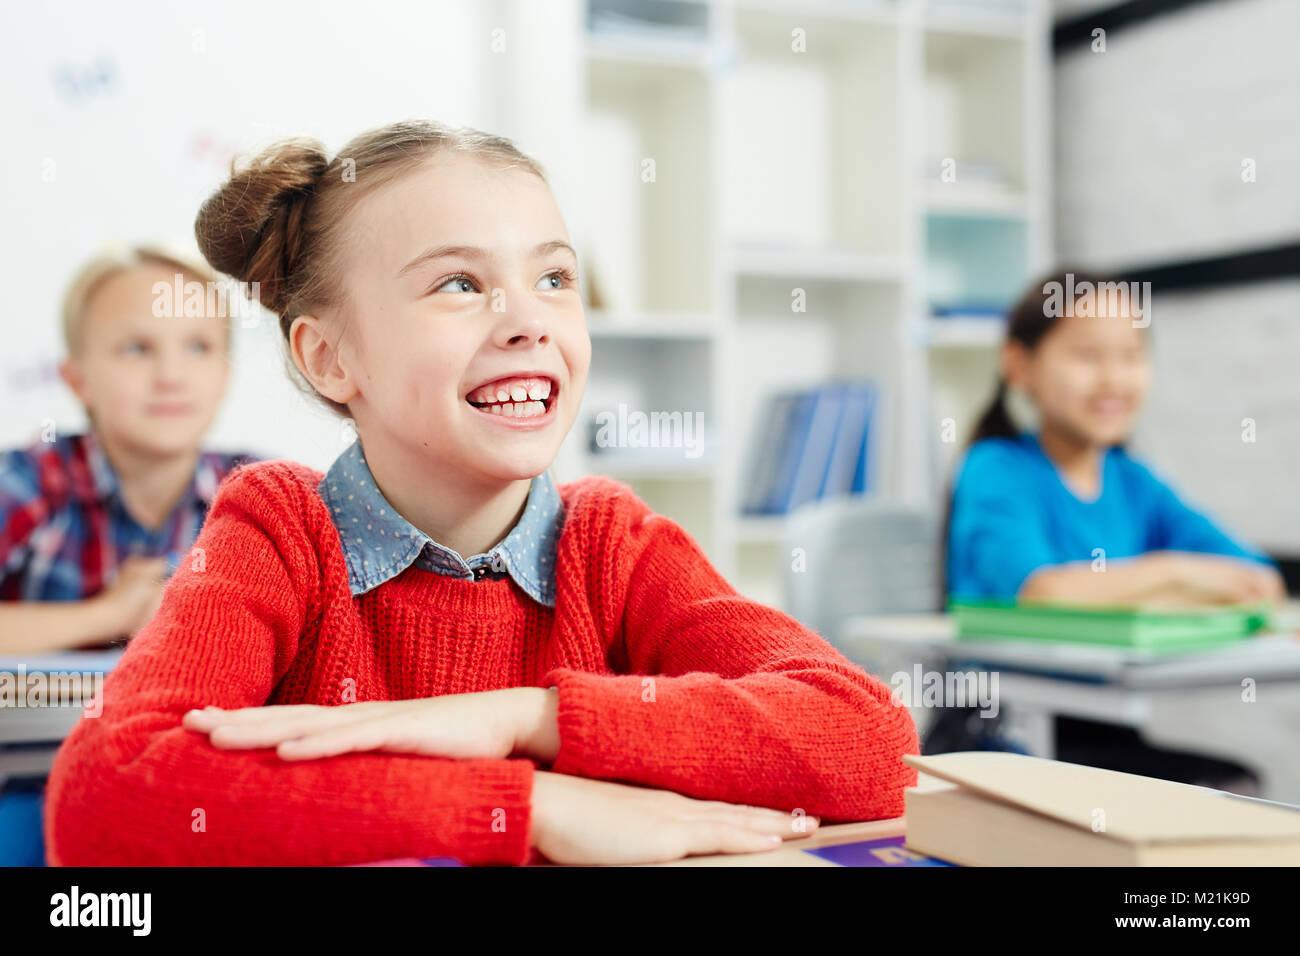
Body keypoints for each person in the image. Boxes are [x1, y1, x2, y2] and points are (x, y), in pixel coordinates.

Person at [44, 120, 919, 867]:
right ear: (328, 357)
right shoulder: (279, 528)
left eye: (554, 278)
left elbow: (875, 743)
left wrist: (525, 718)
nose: (530, 317)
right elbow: (102, 796)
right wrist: (524, 806)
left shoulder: (613, 543)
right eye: (459, 284)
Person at [938, 270, 1282, 792]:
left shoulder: (1133, 481)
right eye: (1088, 355)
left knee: (1235, 788)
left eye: (1131, 355)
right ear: (1019, 365)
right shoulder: (995, 469)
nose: (1114, 378)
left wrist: (1179, 580)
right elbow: (1041, 591)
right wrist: (1174, 573)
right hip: (997, 736)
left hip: (1103, 731)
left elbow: (1258, 578)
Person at [0, 244, 258, 865]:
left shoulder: (256, 492)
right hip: (25, 777)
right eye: (136, 349)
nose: (170, 375)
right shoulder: (26, 485)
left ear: (224, 372)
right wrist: (109, 615)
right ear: (78, 378)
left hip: (184, 782)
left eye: (197, 348)